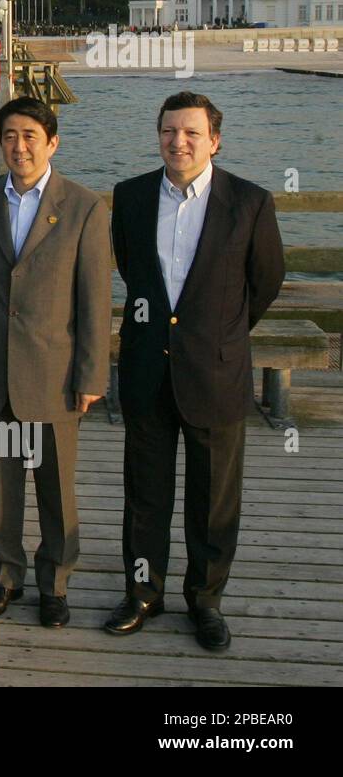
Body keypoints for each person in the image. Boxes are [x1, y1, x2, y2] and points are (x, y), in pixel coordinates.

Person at [106, 91, 283, 651]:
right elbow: (129, 267)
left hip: (217, 373)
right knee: (145, 495)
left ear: (215, 140)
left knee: (214, 500)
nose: (177, 142)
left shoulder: (249, 202)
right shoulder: (130, 196)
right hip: (146, 371)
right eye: (167, 131)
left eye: (190, 133)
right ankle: (142, 594)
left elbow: (265, 281)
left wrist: (218, 334)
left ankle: (206, 602)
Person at [0, 97, 111, 627]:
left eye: (29, 137)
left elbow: (94, 299)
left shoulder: (84, 206)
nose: (18, 147)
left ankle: (55, 584)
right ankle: (3, 577)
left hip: (54, 372)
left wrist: (92, 374)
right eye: (9, 137)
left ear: (52, 143)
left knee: (55, 489)